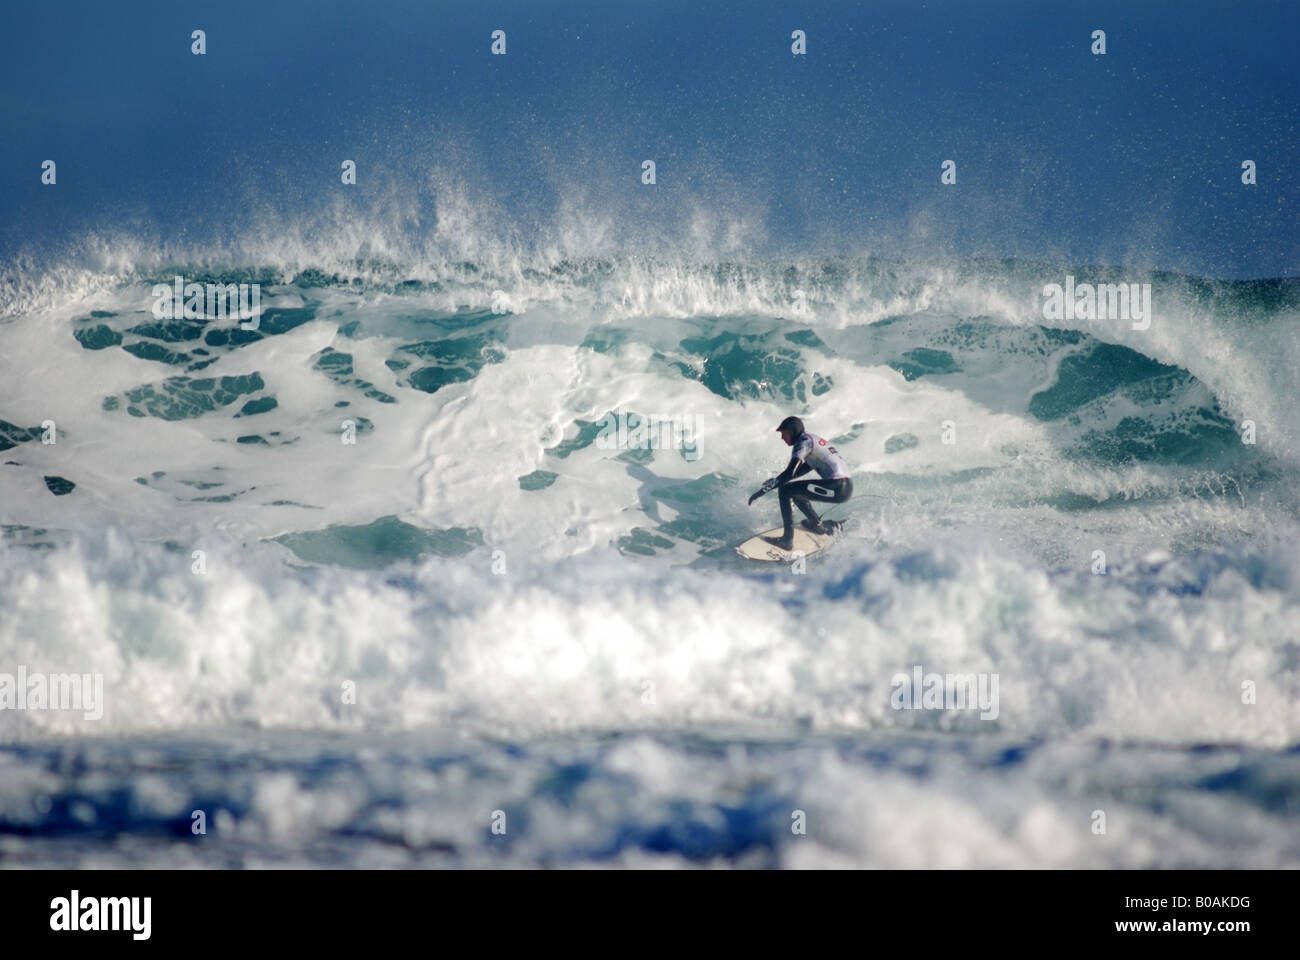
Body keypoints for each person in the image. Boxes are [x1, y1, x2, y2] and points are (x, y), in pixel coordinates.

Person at [747, 416, 853, 550]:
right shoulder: (811, 439)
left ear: (792, 431)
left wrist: (763, 491)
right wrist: (776, 480)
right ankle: (817, 525)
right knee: (795, 492)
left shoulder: (803, 442)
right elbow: (801, 470)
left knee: (786, 491)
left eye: (783, 433)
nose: (782, 438)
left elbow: (790, 472)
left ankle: (786, 540)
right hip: (843, 486)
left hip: (837, 486)